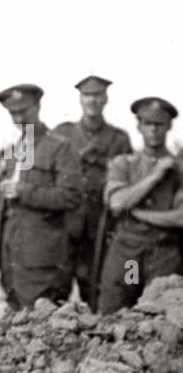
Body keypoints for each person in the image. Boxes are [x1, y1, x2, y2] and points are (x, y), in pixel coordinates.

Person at [0, 84, 84, 310]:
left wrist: (24, 191)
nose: (20, 118)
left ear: (38, 107)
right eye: (14, 113)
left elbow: (71, 196)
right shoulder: (14, 149)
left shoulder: (60, 147)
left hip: (42, 256)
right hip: (11, 251)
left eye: (24, 111)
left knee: (38, 318)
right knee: (14, 315)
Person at [52, 75, 133, 308]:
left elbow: (125, 182)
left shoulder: (118, 139)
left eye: (97, 95)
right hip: (65, 225)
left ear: (105, 98)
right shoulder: (63, 133)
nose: (92, 101)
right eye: (87, 95)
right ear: (80, 99)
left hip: (100, 227)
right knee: (56, 290)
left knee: (96, 289)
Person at [98, 96, 183, 312]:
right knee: (120, 308)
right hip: (131, 256)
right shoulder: (125, 164)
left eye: (159, 124)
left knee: (160, 317)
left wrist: (138, 213)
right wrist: (154, 176)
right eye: (148, 124)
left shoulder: (179, 170)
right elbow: (117, 202)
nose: (153, 130)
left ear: (169, 126)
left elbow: (179, 218)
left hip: (164, 256)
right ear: (139, 126)